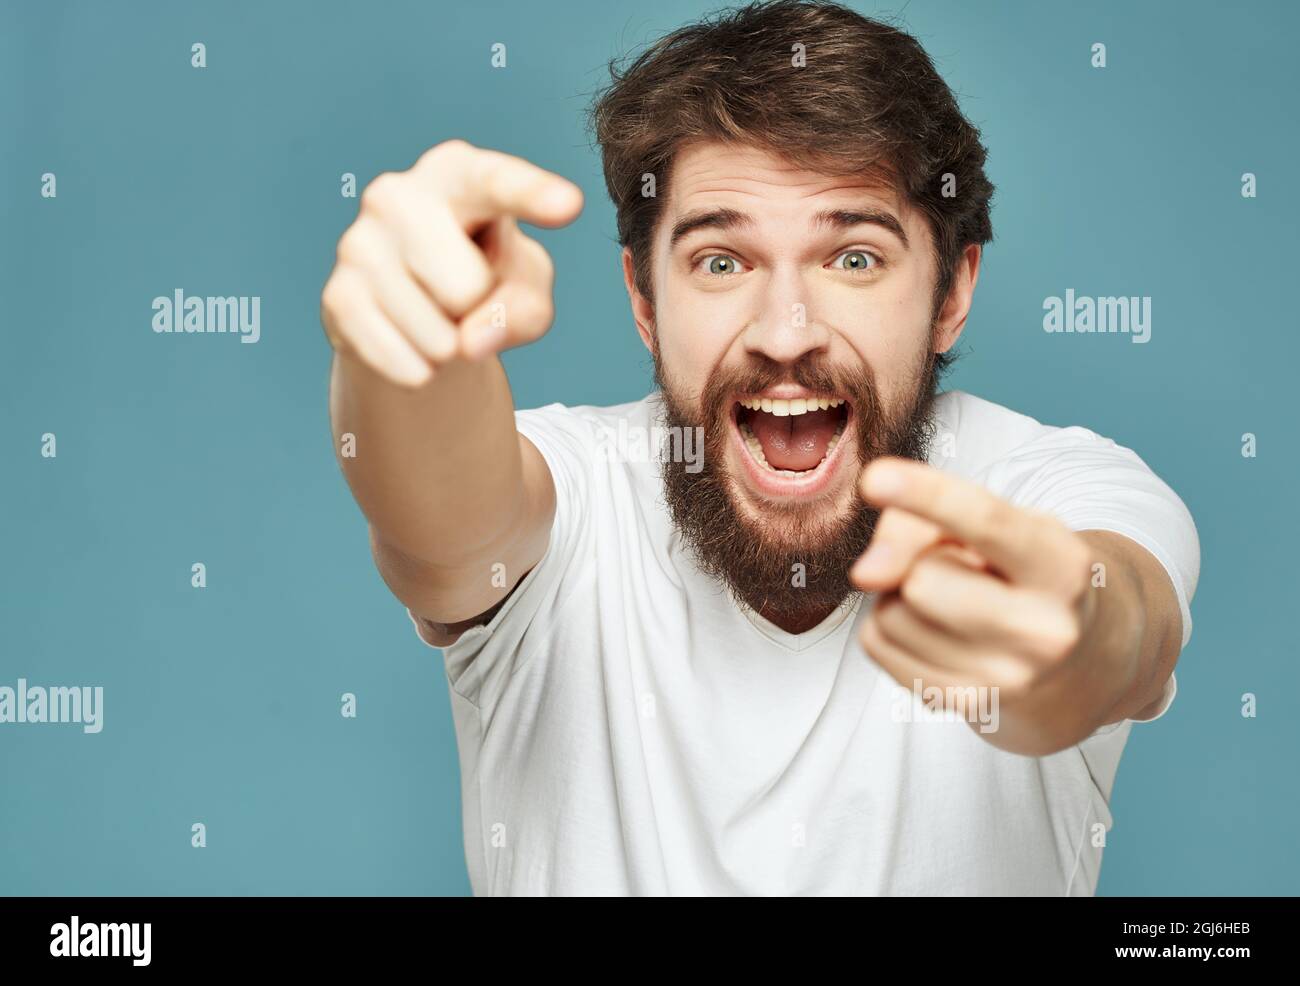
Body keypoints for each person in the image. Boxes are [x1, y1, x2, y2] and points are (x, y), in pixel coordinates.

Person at [322, 0, 1199, 895]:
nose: (786, 332)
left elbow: (1125, 626)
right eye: (721, 261)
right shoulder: (573, 500)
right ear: (645, 298)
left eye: (853, 258)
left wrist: (1068, 644)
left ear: (950, 292)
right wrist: (406, 351)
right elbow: (445, 521)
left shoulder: (1056, 486)